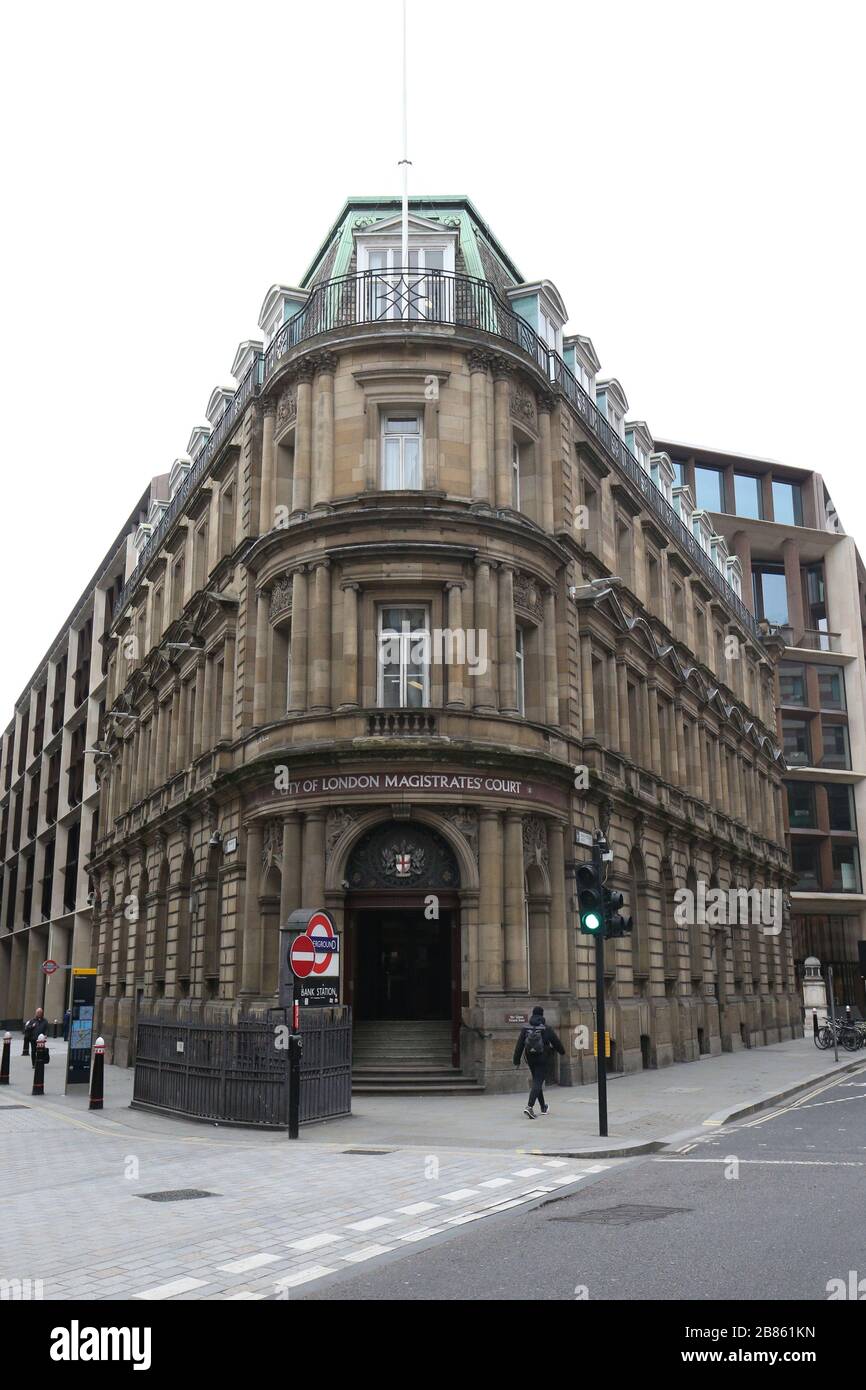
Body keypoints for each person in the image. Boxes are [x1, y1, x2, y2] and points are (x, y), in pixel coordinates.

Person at [513, 1005, 565, 1119]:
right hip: (543, 1058)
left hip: (530, 1058)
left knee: (537, 1081)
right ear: (542, 1015)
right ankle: (529, 1107)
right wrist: (562, 1052)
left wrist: (516, 1060)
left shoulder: (526, 1028)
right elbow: (556, 1043)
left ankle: (543, 1107)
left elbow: (519, 1045)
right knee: (537, 1082)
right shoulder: (546, 1028)